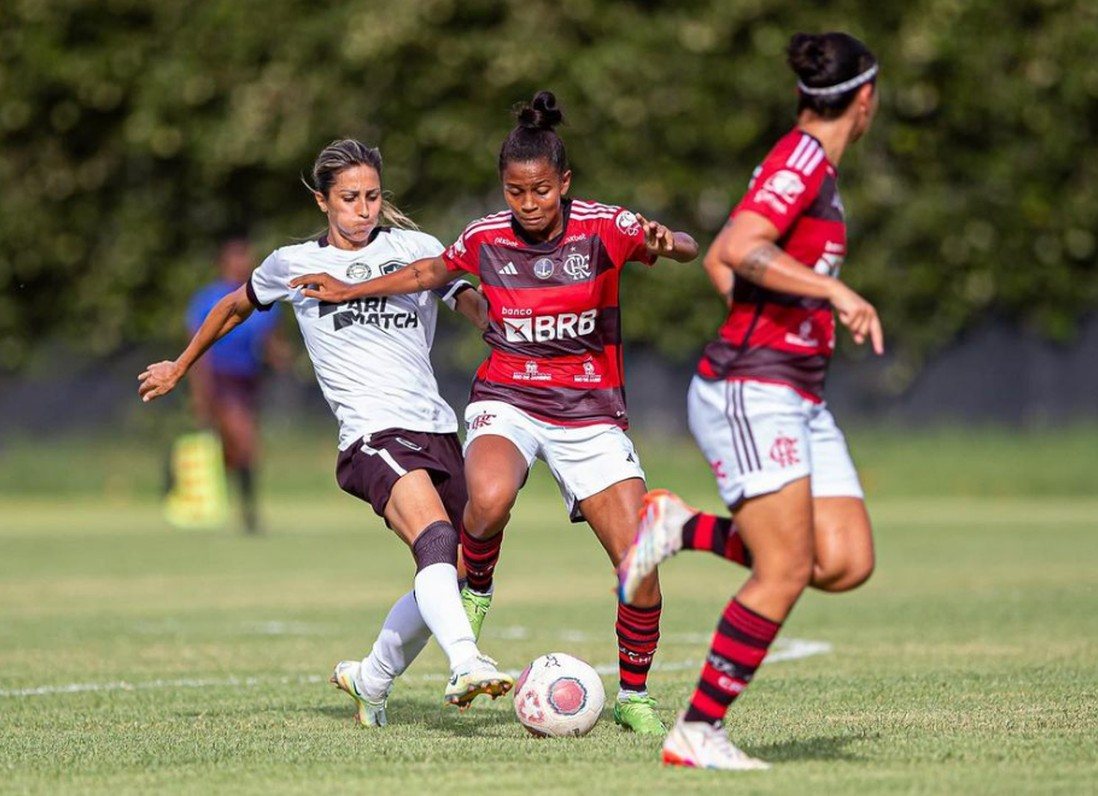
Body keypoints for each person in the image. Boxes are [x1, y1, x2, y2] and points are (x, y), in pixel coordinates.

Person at [289, 90, 700, 735]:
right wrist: (351, 288)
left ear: (565, 183)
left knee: (638, 565)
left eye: (542, 191)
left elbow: (687, 246)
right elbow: (426, 273)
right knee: (487, 497)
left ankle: (634, 695)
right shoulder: (485, 235)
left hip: (590, 412)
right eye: (516, 192)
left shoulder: (606, 227)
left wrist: (668, 243)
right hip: (508, 397)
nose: (529, 204)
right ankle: (476, 588)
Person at [138, 139, 513, 726]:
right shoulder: (290, 264)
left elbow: (465, 298)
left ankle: (371, 678)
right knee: (435, 538)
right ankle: (466, 661)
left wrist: (508, 331)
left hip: (437, 428)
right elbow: (235, 306)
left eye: (372, 196)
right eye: (349, 198)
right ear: (322, 201)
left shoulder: (415, 249)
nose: (363, 210)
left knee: (462, 568)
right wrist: (180, 365)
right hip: (371, 434)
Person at [616, 32, 885, 769]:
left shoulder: (814, 166)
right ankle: (696, 731)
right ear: (865, 99)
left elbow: (719, 260)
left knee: (845, 559)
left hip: (797, 391)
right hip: (752, 387)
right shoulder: (802, 160)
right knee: (785, 570)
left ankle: (681, 526)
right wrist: (829, 293)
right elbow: (737, 247)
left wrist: (779, 316)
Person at [183, 236, 283, 533]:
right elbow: (198, 349)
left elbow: (269, 341)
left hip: (249, 380)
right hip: (221, 380)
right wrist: (200, 393)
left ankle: (225, 502)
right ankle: (249, 514)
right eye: (237, 258)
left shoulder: (261, 298)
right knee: (245, 443)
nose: (243, 264)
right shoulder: (208, 299)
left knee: (235, 449)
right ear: (223, 263)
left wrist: (282, 359)